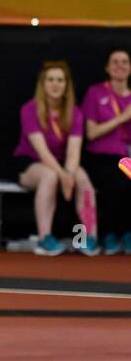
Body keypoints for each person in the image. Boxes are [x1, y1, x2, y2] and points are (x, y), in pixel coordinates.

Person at [13, 61, 94, 255]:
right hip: (31, 162)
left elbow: (74, 152)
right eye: (50, 80)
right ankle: (44, 238)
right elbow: (42, 152)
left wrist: (70, 174)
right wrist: (64, 177)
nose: (55, 84)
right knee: (50, 176)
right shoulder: (29, 109)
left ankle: (87, 237)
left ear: (66, 85)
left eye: (60, 80)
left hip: (62, 162)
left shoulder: (75, 112)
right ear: (43, 84)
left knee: (83, 179)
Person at [80, 48, 131, 254]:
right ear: (107, 68)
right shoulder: (96, 93)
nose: (120, 65)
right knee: (116, 182)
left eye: (125, 61)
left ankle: (128, 233)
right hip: (101, 156)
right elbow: (91, 133)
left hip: (126, 157)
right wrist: (122, 118)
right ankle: (111, 233)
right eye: (115, 62)